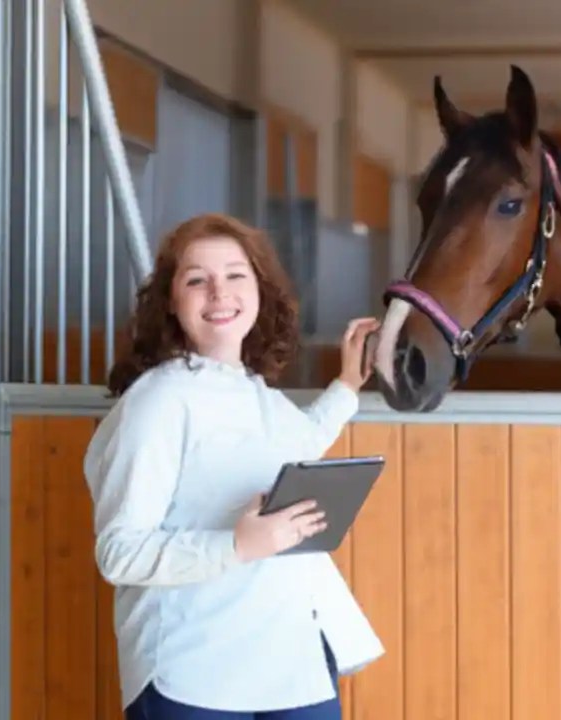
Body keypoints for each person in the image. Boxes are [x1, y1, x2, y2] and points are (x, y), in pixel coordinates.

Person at [83, 212, 385, 720]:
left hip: (292, 662)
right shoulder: (158, 402)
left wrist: (349, 385)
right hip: (194, 671)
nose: (219, 292)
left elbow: (302, 441)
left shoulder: (257, 396)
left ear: (260, 292)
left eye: (235, 275)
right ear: (171, 305)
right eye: (197, 279)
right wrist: (237, 545)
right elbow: (119, 552)